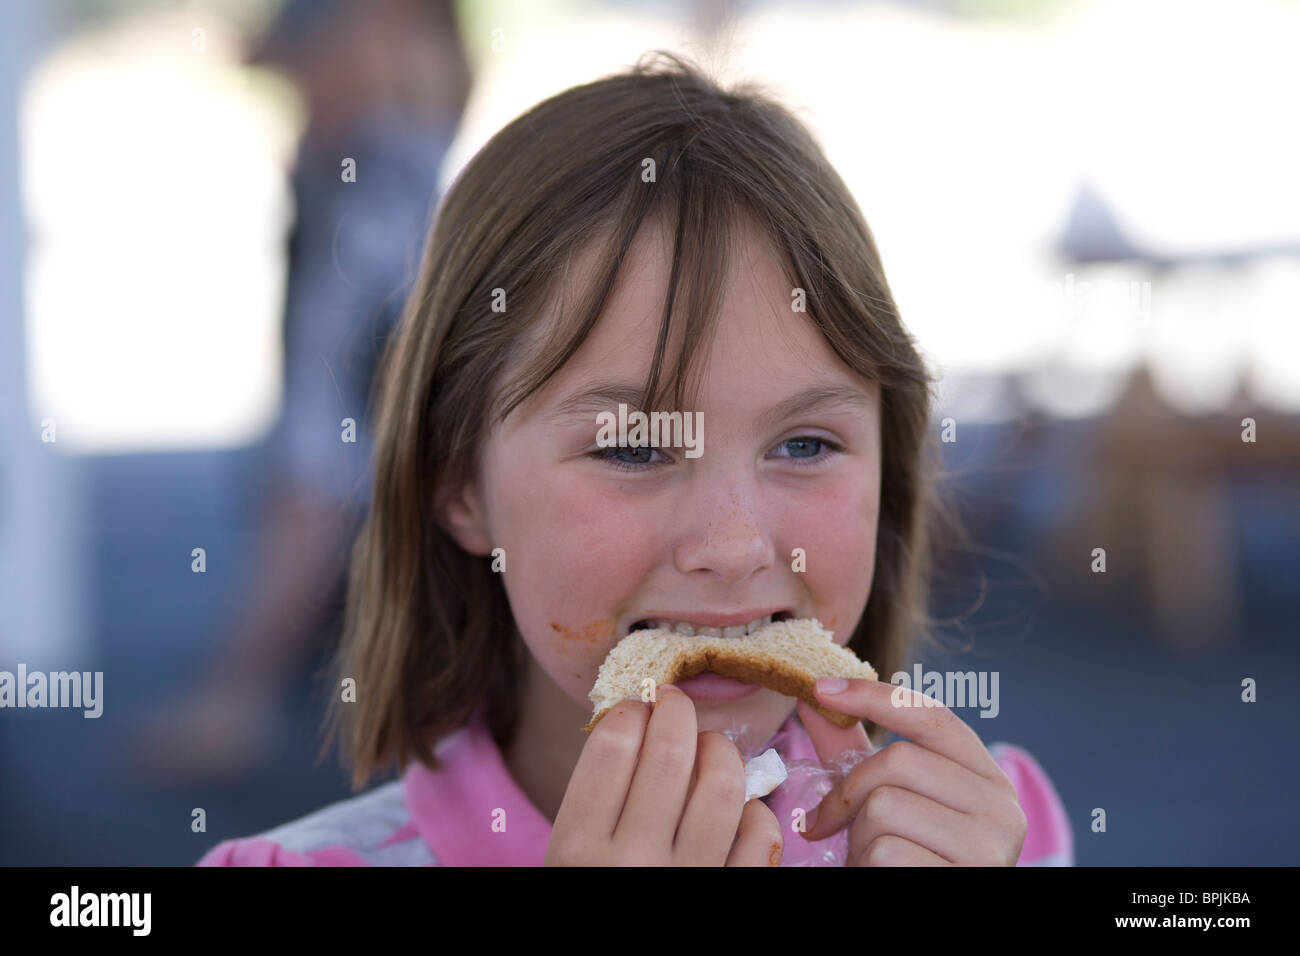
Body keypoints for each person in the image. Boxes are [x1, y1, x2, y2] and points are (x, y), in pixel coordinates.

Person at [197, 51, 1072, 866]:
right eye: (633, 447)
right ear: (457, 482)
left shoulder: (996, 837)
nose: (733, 546)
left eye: (806, 444)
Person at [132, 0, 470, 781]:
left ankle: (238, 698)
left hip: (374, 212)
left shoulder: (391, 61)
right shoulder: (405, 59)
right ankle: (273, 692)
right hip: (369, 204)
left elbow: (296, 62)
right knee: (333, 454)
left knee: (321, 458)